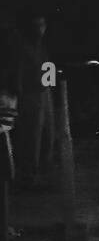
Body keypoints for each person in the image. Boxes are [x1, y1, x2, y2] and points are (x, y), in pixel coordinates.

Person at [12, 13, 56, 188]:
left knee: (48, 132)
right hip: (31, 95)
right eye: (37, 25)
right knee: (32, 135)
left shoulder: (42, 46)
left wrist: (51, 88)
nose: (40, 29)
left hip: (44, 93)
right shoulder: (23, 48)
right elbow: (18, 73)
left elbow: (48, 66)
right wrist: (20, 94)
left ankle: (44, 170)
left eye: (42, 25)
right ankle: (30, 175)